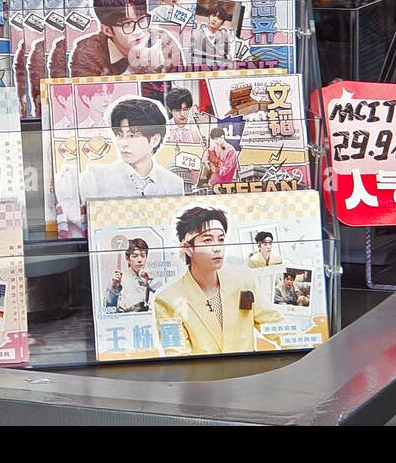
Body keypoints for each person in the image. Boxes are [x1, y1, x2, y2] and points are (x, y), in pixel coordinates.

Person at [153, 207, 282, 356]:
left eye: (221, 239)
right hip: (203, 379)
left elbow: (276, 324)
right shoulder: (167, 300)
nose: (217, 248)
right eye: (208, 240)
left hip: (247, 376)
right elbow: (178, 356)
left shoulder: (243, 282)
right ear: (188, 248)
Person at [73, 98, 184, 218]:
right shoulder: (97, 178)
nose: (123, 143)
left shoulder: (173, 183)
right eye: (120, 135)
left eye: (132, 135)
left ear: (154, 140)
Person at [52, 0, 182, 78]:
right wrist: (134, 70)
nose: (138, 31)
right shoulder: (87, 54)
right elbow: (90, 100)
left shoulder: (163, 41)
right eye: (127, 24)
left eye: (141, 19)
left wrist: (160, 69)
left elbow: (181, 90)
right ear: (107, 30)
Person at [105, 238, 159, 313]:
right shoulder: (118, 280)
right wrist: (115, 287)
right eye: (135, 256)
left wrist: (148, 282)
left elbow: (162, 299)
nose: (140, 260)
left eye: (143, 256)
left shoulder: (150, 279)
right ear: (127, 259)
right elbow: (109, 307)